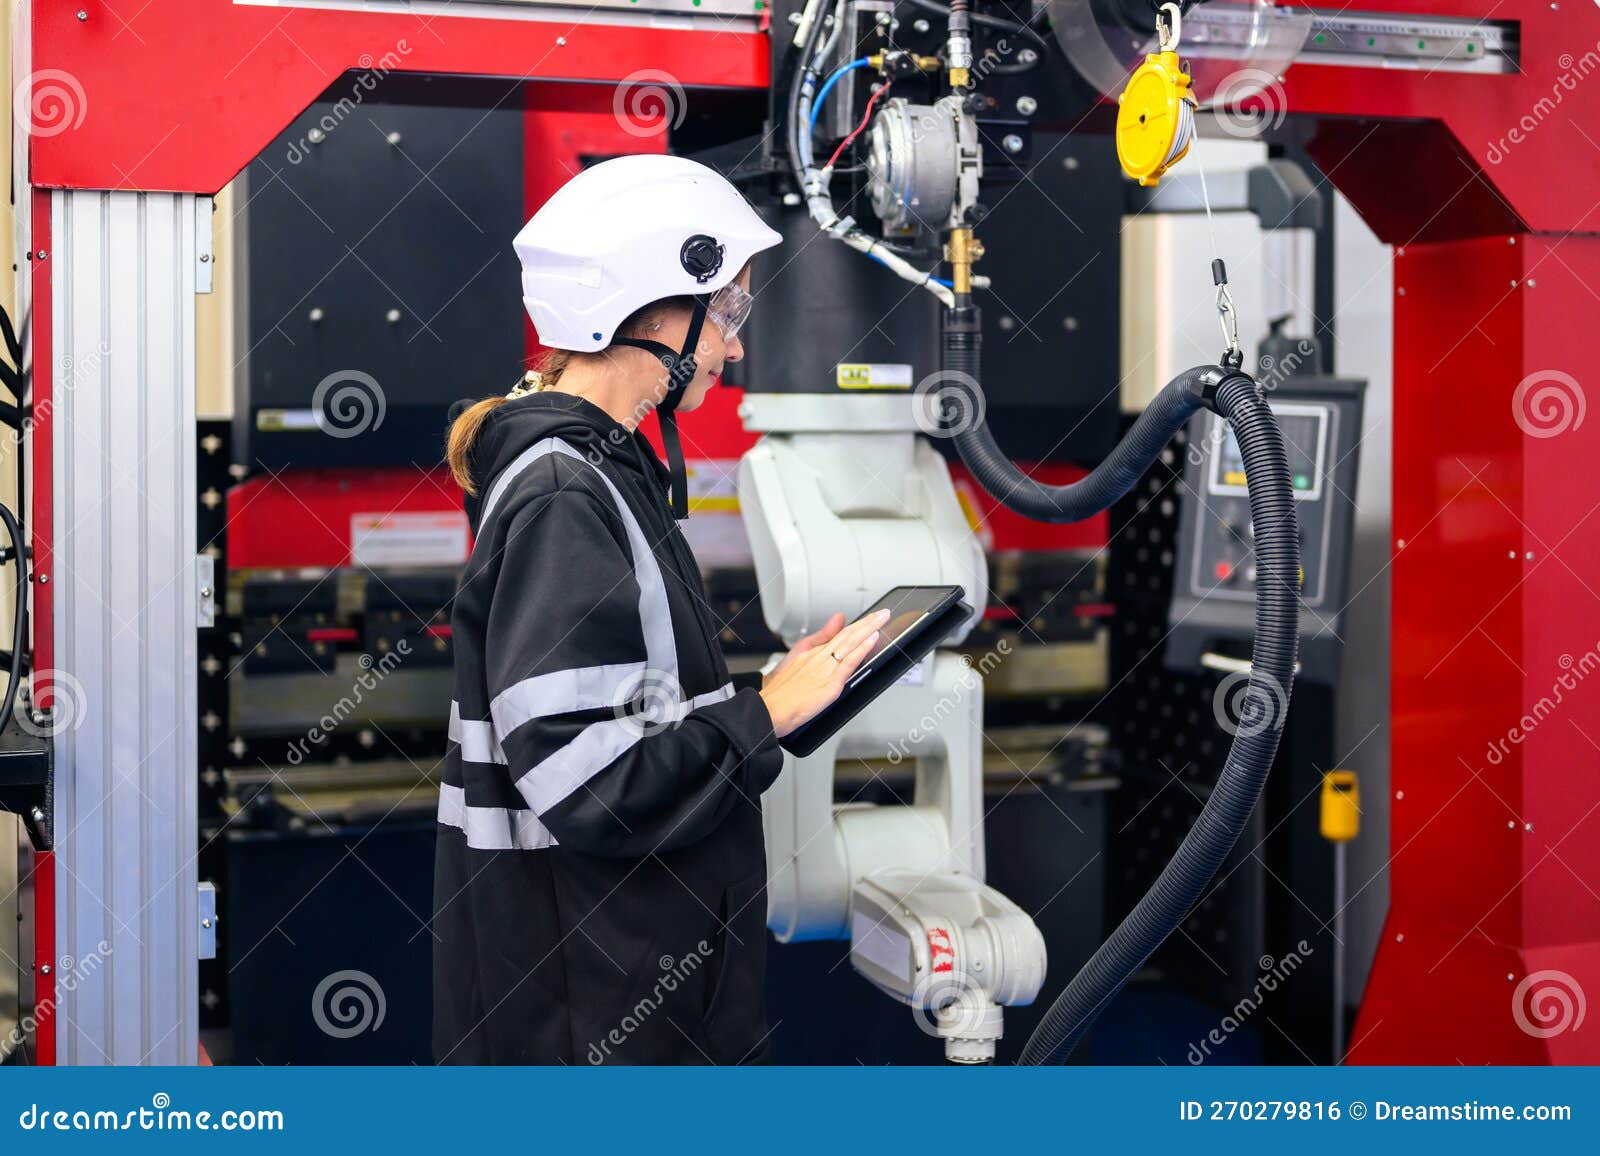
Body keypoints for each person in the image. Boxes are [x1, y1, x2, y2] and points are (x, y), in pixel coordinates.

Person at [434, 154, 888, 1064]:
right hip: (590, 1021)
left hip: (609, 993)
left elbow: (627, 721)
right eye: (726, 314)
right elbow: (589, 781)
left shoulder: (594, 471)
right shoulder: (568, 493)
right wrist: (762, 716)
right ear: (650, 318)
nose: (733, 345)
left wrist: (778, 693)